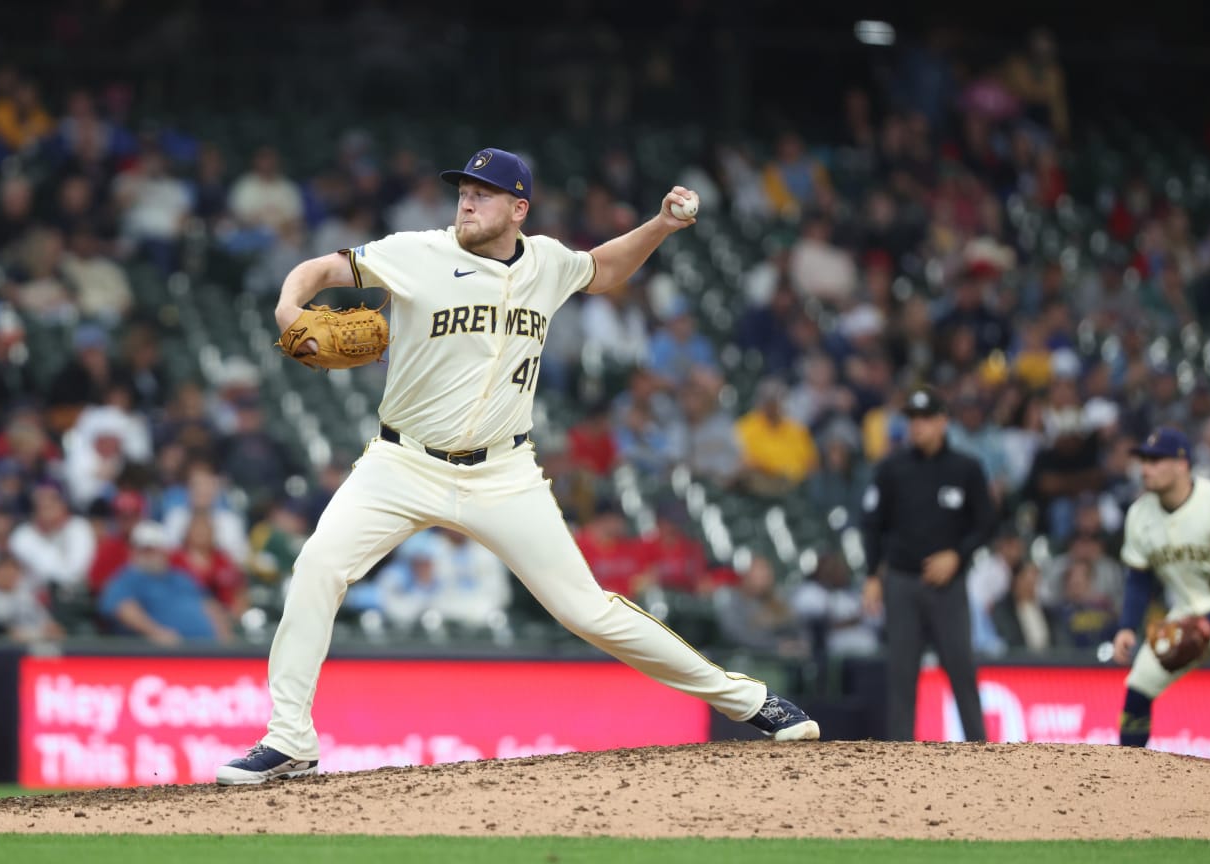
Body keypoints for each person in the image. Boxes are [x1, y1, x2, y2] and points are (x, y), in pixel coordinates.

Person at [216, 148, 818, 787]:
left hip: (504, 473)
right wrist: (289, 310)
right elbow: (318, 269)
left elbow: (603, 269)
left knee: (586, 610)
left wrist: (662, 226)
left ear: (518, 207)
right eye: (463, 192)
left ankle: (748, 700)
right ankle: (289, 740)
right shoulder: (416, 251)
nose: (467, 202)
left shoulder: (548, 262)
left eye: (483, 193)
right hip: (402, 461)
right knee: (317, 567)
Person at [1110, 428, 1210, 747]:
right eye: (1143, 460)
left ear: (1182, 465)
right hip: (1185, 613)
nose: (1145, 468)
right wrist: (1127, 626)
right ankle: (1124, 783)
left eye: (1155, 460)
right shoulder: (1140, 515)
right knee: (1139, 687)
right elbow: (1139, 579)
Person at [861, 388, 996, 742]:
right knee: (901, 675)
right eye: (912, 419)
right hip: (902, 582)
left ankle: (980, 749)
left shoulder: (966, 468)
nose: (917, 426)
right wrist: (872, 575)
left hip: (947, 585)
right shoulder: (892, 469)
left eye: (924, 419)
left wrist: (958, 554)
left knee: (962, 670)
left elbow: (985, 523)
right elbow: (872, 524)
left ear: (942, 422)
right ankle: (899, 757)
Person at [99, 521, 233, 645]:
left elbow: (208, 605)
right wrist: (156, 632)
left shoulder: (180, 577)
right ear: (135, 551)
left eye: (156, 548)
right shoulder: (129, 578)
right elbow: (123, 608)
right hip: (169, 654)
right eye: (146, 549)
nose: (152, 554)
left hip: (210, 651)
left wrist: (225, 637)